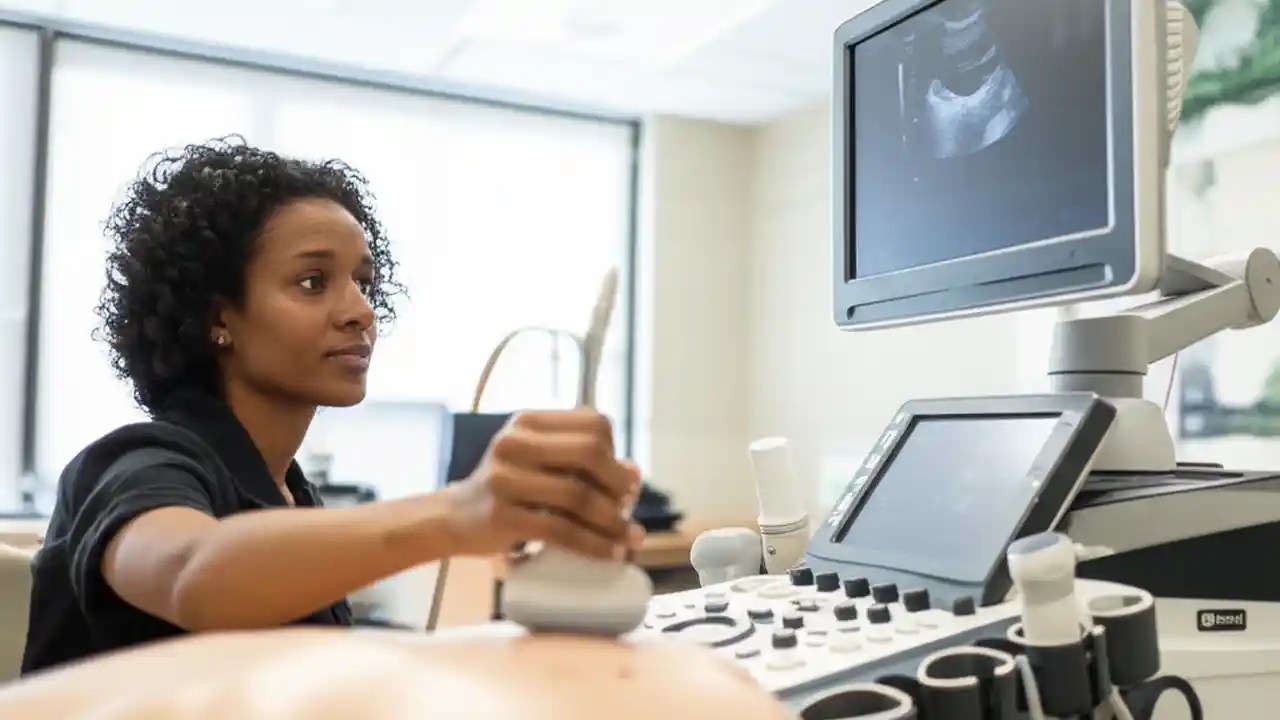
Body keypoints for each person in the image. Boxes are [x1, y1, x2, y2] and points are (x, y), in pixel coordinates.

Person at [21, 137, 645, 675]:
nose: (360, 311)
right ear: (218, 317)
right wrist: (460, 511)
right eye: (313, 282)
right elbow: (194, 574)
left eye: (363, 283)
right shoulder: (136, 464)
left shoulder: (290, 494)